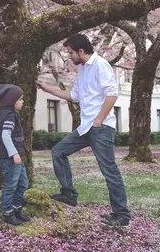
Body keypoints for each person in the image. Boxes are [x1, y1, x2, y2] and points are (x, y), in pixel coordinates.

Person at [36, 33, 131, 227]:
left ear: (81, 51)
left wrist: (98, 120)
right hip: (85, 128)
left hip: (100, 128)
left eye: (71, 53)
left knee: (109, 170)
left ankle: (121, 214)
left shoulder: (100, 65)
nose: (69, 57)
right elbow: (73, 95)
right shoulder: (83, 71)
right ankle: (69, 195)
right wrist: (47, 89)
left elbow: (111, 95)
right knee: (58, 151)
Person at [0, 84, 30, 226]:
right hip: (10, 158)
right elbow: (6, 135)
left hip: (16, 156)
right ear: (12, 101)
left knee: (23, 183)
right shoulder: (9, 115)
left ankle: (16, 208)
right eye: (20, 99)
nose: (23, 102)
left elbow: (3, 131)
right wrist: (14, 154)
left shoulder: (6, 114)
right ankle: (7, 213)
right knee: (11, 185)